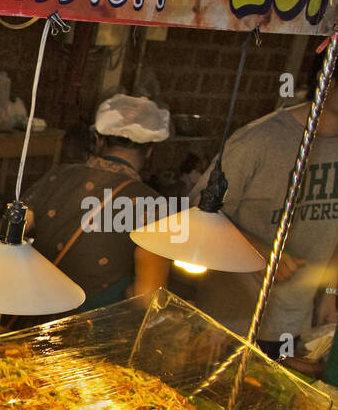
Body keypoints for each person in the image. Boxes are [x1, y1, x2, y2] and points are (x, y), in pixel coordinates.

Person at [192, 64, 338, 354]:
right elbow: (197, 215)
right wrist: (257, 249)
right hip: (228, 321)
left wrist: (330, 294)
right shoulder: (258, 141)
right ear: (328, 81)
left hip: (294, 322)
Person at [22, 94, 173, 311]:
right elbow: (148, 297)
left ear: (98, 140)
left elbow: (3, 236)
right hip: (89, 328)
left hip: (30, 311)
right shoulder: (153, 206)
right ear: (149, 151)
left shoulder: (58, 176)